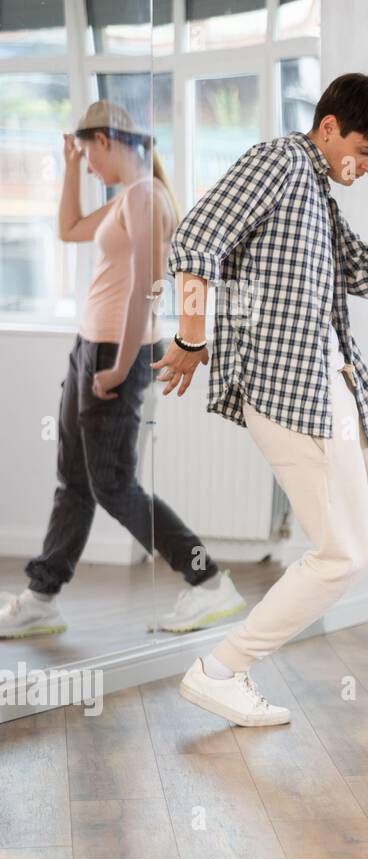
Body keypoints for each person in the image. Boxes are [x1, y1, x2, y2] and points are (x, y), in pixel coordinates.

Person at [154, 73, 368, 725]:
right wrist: (190, 335)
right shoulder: (281, 162)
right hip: (289, 388)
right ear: (328, 128)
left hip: (336, 386)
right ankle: (220, 670)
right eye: (365, 152)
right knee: (342, 553)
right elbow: (194, 238)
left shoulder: (318, 188)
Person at [1, 101, 244, 640]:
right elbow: (67, 228)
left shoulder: (144, 196)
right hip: (90, 347)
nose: (88, 166)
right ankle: (42, 599)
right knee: (74, 481)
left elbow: (144, 291)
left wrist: (117, 368)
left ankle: (208, 581)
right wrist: (69, 166)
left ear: (106, 141)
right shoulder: (126, 197)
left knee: (113, 486)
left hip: (116, 353)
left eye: (86, 154)